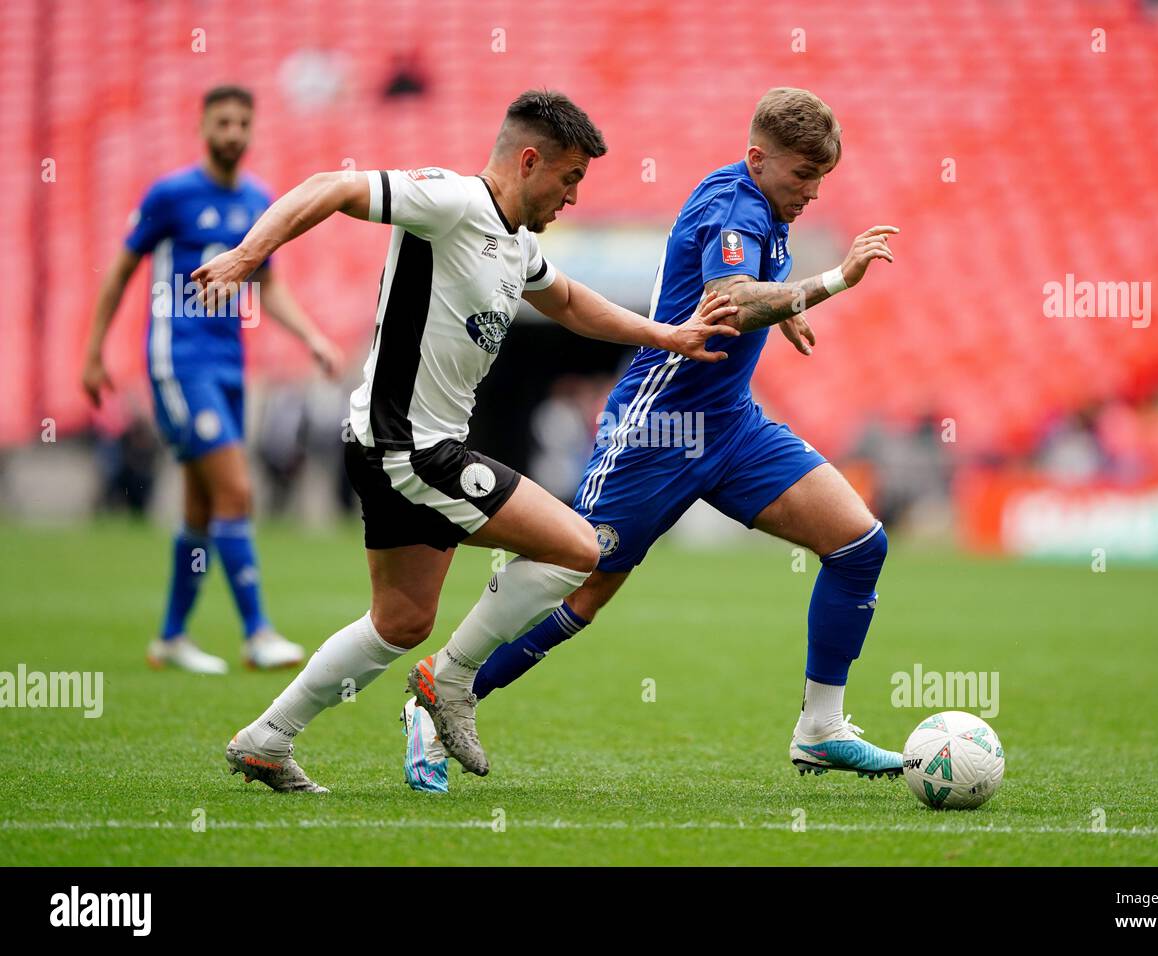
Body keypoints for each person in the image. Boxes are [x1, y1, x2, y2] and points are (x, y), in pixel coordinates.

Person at [194, 90, 739, 792]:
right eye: (570, 178)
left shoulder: (518, 244)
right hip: (408, 446)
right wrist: (246, 254)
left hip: (395, 446)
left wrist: (662, 333)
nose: (573, 196)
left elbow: (569, 303)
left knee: (400, 620)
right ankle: (450, 683)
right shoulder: (449, 202)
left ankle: (267, 739)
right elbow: (329, 186)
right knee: (579, 546)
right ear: (531, 159)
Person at [405, 87, 903, 790]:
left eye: (821, 179)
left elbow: (745, 287)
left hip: (731, 425)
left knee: (858, 544)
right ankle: (438, 695)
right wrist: (825, 283)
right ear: (758, 158)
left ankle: (820, 728)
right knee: (577, 577)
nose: (813, 192)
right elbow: (728, 294)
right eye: (801, 177)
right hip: (658, 427)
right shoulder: (735, 204)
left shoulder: (758, 198)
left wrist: (780, 301)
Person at [82, 85, 342, 674]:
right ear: (203, 126)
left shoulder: (257, 200)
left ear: (252, 129)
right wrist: (94, 353)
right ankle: (257, 633)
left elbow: (267, 283)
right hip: (180, 362)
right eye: (222, 121)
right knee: (238, 491)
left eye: (242, 122)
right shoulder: (171, 196)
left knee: (202, 505)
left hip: (229, 366)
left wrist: (312, 337)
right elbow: (122, 268)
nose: (233, 132)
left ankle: (171, 637)